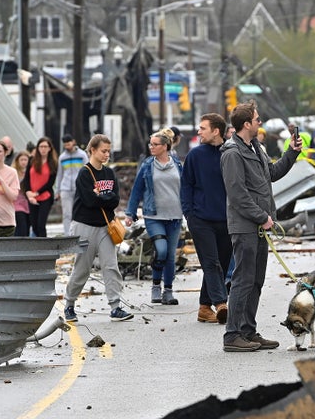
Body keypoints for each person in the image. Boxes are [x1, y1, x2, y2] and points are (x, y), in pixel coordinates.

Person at [221, 100, 301, 352]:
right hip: (246, 226)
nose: (260, 122)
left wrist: (292, 152)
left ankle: (248, 331)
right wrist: (262, 217)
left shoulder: (255, 147)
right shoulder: (232, 153)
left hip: (259, 226)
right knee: (243, 280)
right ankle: (232, 335)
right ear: (246, 124)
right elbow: (237, 194)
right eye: (257, 119)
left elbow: (272, 174)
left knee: (255, 280)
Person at [63, 134, 132, 323]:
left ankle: (115, 307)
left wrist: (102, 197)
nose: (106, 154)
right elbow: (89, 201)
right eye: (103, 151)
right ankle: (69, 304)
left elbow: (115, 200)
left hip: (105, 226)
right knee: (82, 268)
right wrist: (105, 197)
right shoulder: (85, 173)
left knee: (110, 266)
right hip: (84, 225)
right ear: (92, 150)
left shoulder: (110, 173)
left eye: (108, 151)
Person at [181, 113, 232, 324]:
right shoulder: (195, 155)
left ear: (216, 131)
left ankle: (204, 307)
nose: (198, 132)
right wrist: (189, 214)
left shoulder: (231, 153)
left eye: (203, 128)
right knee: (211, 262)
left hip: (228, 220)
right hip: (200, 219)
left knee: (223, 262)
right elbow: (186, 185)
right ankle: (221, 303)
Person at [125, 129, 184, 306]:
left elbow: (186, 188)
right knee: (161, 250)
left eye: (155, 144)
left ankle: (168, 291)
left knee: (171, 256)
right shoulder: (147, 165)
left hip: (175, 216)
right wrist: (130, 212)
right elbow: (136, 190)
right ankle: (156, 286)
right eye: (151, 144)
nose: (151, 147)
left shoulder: (177, 164)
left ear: (165, 146)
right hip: (154, 216)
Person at [23, 136, 57, 237]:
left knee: (41, 225)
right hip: (31, 197)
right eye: (41, 146)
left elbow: (50, 183)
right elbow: (26, 178)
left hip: (45, 196)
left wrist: (36, 193)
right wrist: (28, 192)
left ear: (50, 148)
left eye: (45, 147)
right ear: (37, 148)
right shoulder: (32, 161)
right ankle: (38, 248)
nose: (43, 149)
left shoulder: (53, 163)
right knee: (34, 225)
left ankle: (45, 248)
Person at [56, 135, 87, 236]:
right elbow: (59, 174)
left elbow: (87, 172)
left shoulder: (82, 155)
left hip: (79, 188)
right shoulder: (62, 157)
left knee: (79, 212)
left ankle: (80, 234)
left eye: (68, 144)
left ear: (73, 142)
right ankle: (67, 235)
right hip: (65, 188)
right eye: (65, 145)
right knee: (66, 214)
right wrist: (58, 191)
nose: (67, 147)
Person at [12, 151, 32, 236]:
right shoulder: (13, 172)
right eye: (21, 160)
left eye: (25, 160)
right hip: (17, 204)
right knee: (21, 227)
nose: (24, 162)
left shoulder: (31, 172)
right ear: (17, 161)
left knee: (27, 227)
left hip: (28, 203)